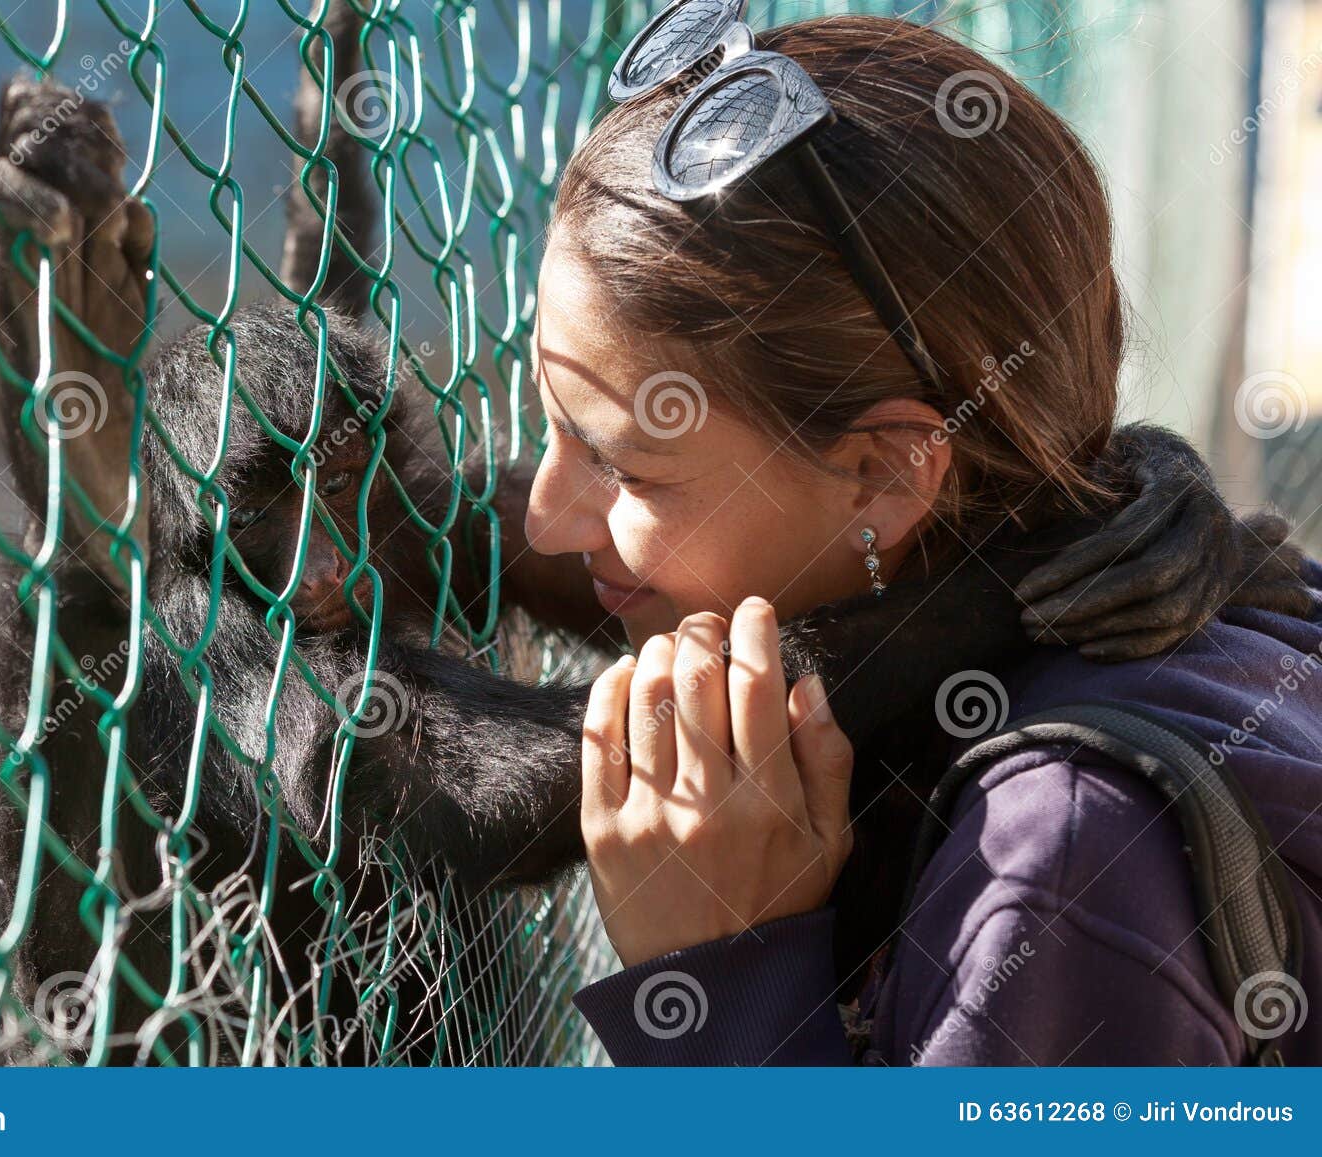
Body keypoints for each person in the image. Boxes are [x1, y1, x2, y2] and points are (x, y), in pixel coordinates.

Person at [525, 12, 1322, 1064]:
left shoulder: (1051, 864)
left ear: (888, 471)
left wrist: (721, 985)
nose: (544, 516)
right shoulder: (1192, 592)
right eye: (548, 429)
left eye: (625, 465)